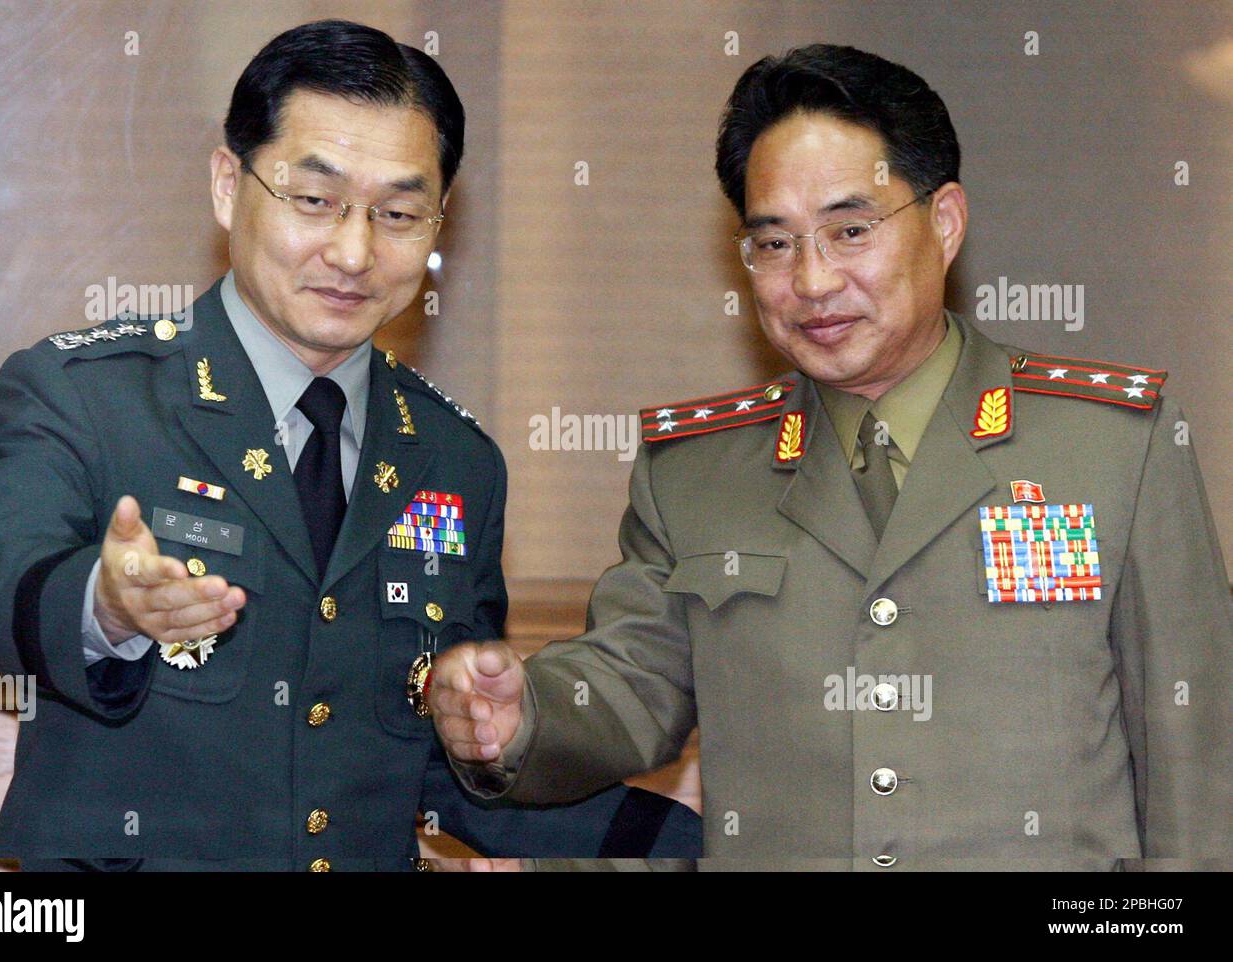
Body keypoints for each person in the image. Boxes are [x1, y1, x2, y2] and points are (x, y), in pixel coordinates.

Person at [429, 44, 1232, 870]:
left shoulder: (1113, 446)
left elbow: (1202, 777)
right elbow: (631, 684)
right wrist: (518, 718)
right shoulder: (698, 470)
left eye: (850, 231)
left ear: (946, 223)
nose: (811, 281)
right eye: (774, 244)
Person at [0, 19, 697, 871]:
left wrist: (733, 845)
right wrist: (107, 607)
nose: (353, 250)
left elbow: (437, 756)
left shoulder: (456, 462)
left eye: (399, 213)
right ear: (230, 184)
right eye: (316, 201)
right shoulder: (87, 393)